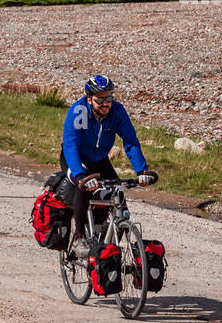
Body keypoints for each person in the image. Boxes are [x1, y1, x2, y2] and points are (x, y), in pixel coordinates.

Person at [61, 75, 156, 258]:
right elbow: (70, 144)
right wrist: (80, 175)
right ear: (89, 99)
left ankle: (108, 236)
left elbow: (130, 142)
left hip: (100, 160)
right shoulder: (79, 111)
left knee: (117, 192)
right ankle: (79, 236)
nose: (106, 103)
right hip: (76, 159)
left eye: (109, 98)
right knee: (84, 187)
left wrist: (141, 170)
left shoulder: (117, 111)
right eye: (100, 99)